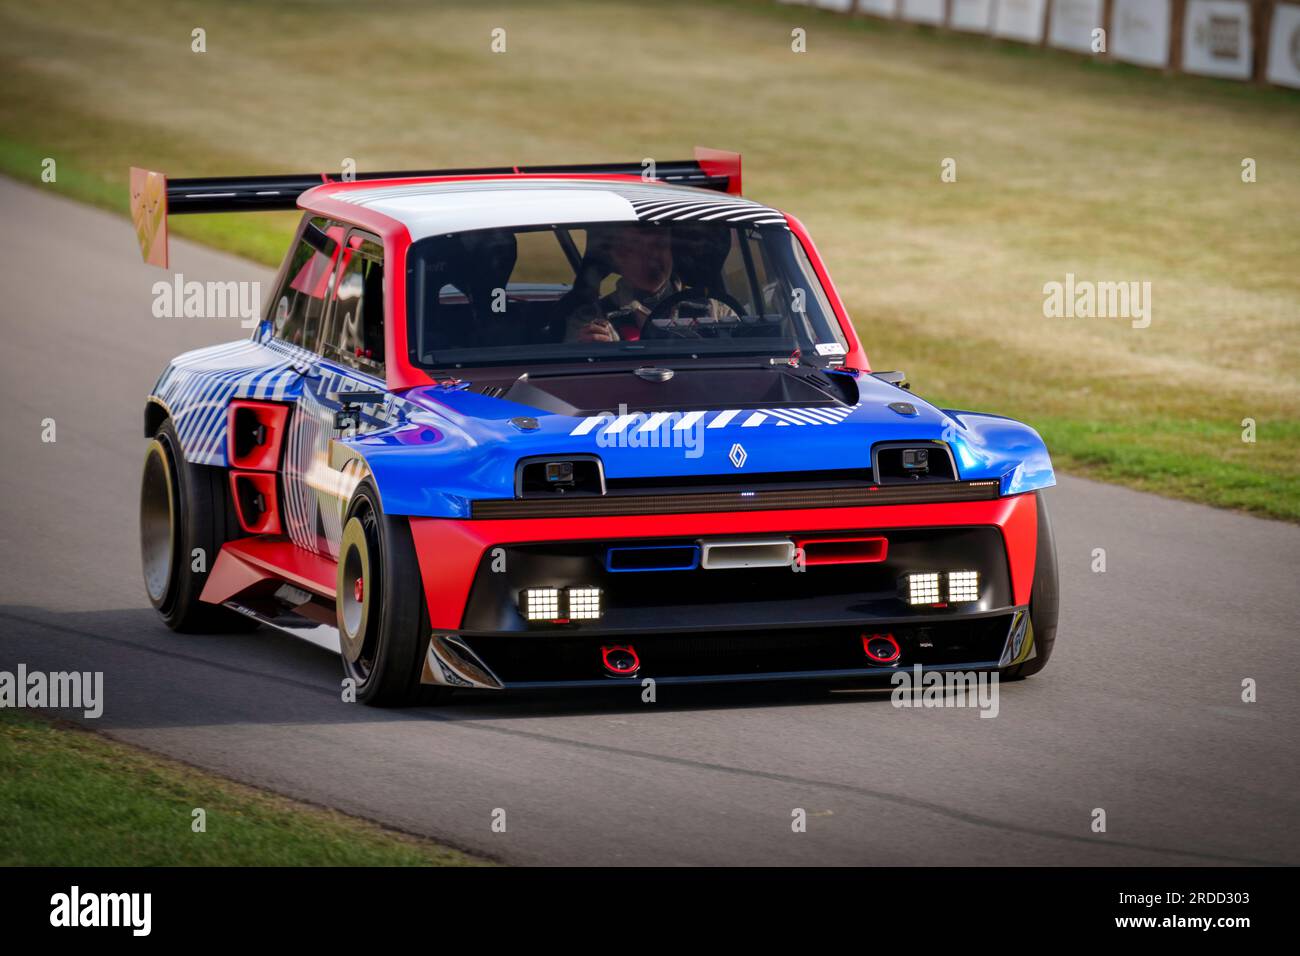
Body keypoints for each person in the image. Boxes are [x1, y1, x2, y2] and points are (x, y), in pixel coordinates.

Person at [565, 225, 735, 343]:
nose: (651, 258)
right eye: (636, 249)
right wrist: (592, 352)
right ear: (617, 259)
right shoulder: (590, 319)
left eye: (658, 245)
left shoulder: (715, 309)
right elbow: (572, 381)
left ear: (671, 250)